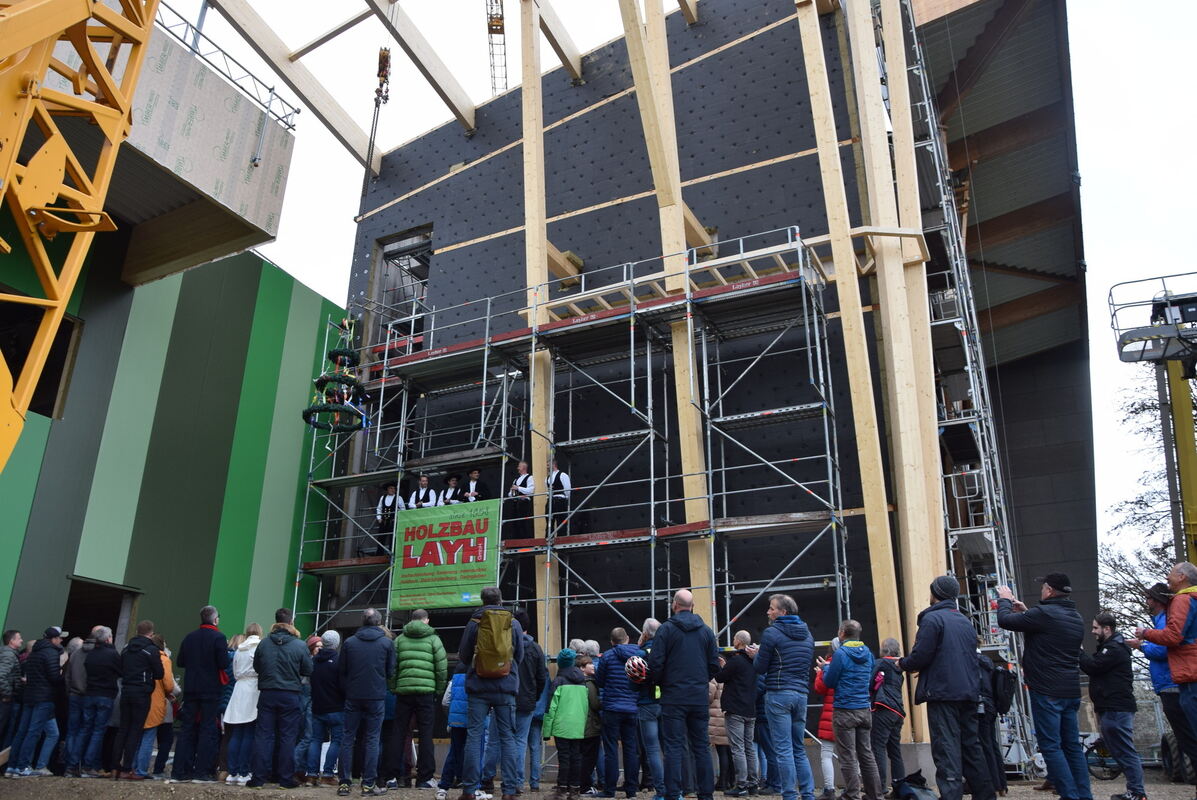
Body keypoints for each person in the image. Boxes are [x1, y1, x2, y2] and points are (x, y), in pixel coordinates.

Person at [997, 575, 1089, 800]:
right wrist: (1027, 612)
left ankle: (1069, 795)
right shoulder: (1075, 617)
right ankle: (1084, 795)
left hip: (1046, 690)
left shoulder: (1044, 614)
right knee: (1072, 747)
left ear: (1049, 590)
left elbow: (1004, 621)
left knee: (1051, 746)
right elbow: (1048, 628)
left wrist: (1005, 600)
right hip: (1070, 690)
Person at [900, 576, 992, 800]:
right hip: (968, 692)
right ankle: (985, 795)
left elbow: (921, 655)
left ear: (935, 593)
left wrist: (902, 663)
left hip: (943, 693)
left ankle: (951, 796)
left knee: (946, 749)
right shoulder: (965, 621)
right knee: (972, 748)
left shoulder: (932, 620)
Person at [646, 589, 720, 800]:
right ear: (692, 605)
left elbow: (655, 664)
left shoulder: (666, 630)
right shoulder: (706, 632)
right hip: (698, 697)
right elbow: (715, 665)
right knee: (701, 746)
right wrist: (699, 681)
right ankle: (706, 794)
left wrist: (663, 682)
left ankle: (673, 794)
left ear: (674, 605)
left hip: (673, 697)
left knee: (673, 748)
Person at [457, 586, 526, 800]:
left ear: (481, 600)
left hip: (478, 686)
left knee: (474, 736)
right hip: (505, 686)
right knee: (507, 738)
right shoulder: (513, 622)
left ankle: (469, 790)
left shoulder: (474, 622)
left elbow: (463, 655)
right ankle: (509, 791)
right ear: (500, 600)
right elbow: (520, 656)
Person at [1132, 583, 1197, 792]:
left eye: (1149, 598)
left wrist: (1142, 644)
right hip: (1172, 681)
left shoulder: (1164, 620)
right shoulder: (1163, 619)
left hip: (1172, 682)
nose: (1147, 602)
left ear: (1157, 600)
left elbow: (1163, 648)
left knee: (1187, 734)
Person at [751, 593, 817, 800]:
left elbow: (760, 667)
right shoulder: (808, 635)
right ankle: (807, 794)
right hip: (801, 695)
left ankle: (789, 795)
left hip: (779, 693)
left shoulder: (772, 633)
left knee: (783, 749)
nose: (768, 611)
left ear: (783, 612)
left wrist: (756, 655)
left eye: (771, 608)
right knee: (798, 747)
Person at [1079, 612, 1144, 800]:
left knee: (1125, 750)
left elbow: (1094, 666)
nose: (1092, 631)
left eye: (1095, 628)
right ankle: (1135, 791)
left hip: (1116, 707)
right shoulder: (1111, 646)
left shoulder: (1114, 648)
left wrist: (1080, 651)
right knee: (1120, 750)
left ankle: (1137, 792)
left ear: (1107, 629)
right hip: (1110, 706)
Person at [247, 608, 312, 789]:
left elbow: (257, 666)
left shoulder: (264, 643)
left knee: (263, 736)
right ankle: (285, 779)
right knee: (287, 737)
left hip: (267, 693)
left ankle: (259, 778)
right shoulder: (300, 645)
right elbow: (308, 669)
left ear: (275, 622)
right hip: (290, 694)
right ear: (291, 622)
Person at [339, 608, 396, 796]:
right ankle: (368, 784)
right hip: (376, 695)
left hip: (353, 695)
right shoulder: (387, 643)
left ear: (362, 621)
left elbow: (343, 670)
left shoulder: (349, 642)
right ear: (379, 622)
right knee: (373, 738)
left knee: (348, 738)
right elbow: (390, 672)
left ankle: (344, 783)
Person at [820, 620, 881, 800]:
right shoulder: (868, 653)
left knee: (847, 756)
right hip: (864, 709)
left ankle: (852, 794)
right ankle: (875, 795)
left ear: (841, 633)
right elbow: (870, 678)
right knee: (867, 754)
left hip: (845, 710)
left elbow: (829, 682)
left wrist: (825, 669)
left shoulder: (841, 653)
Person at [1134, 563, 1197, 733]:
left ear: (1182, 577)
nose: (1167, 577)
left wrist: (1145, 634)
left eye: (1171, 573)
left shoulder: (1183, 599)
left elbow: (1173, 636)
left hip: (1189, 674)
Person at [172, 605, 230, 783]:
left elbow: (181, 661)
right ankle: (202, 771)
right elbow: (223, 662)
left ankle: (180, 771)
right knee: (208, 729)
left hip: (191, 688)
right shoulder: (218, 637)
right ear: (215, 619)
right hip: (210, 688)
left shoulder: (190, 637)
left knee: (187, 729)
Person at [392, 608, 448, 789]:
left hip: (403, 692)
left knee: (399, 733)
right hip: (426, 693)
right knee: (426, 735)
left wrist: (394, 687)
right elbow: (441, 668)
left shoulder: (399, 640)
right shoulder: (434, 639)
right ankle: (424, 779)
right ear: (427, 620)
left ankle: (394, 776)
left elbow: (392, 668)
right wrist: (437, 691)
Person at [10, 626, 66, 777]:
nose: (61, 640)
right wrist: (63, 674)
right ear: (54, 639)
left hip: (30, 696)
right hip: (44, 697)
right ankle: (23, 766)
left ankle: (12, 766)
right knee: (33, 733)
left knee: (22, 731)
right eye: (60, 638)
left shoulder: (34, 652)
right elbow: (54, 678)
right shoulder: (51, 653)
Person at [544, 648, 600, 800]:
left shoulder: (558, 681)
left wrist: (546, 732)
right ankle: (575, 791)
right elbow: (585, 706)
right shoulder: (583, 682)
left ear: (561, 664)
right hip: (578, 726)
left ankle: (562, 790)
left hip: (562, 726)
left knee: (564, 758)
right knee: (576, 757)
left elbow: (551, 708)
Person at [596, 627, 643, 799]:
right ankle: (631, 790)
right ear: (628, 638)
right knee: (631, 749)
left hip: (612, 708)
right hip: (632, 707)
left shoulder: (607, 656)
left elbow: (600, 681)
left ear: (611, 641)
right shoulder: (639, 655)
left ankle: (609, 790)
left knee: (611, 749)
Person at [114, 620, 165, 781]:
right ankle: (127, 767)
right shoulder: (151, 650)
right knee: (135, 730)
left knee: (122, 730)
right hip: (142, 692)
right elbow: (159, 673)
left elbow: (119, 668)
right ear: (151, 633)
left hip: (126, 690)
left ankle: (115, 766)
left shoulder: (126, 648)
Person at [715, 631, 758, 797]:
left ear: (739, 642)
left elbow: (719, 678)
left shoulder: (736, 661)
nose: (732, 640)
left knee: (738, 748)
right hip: (750, 709)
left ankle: (741, 785)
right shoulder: (753, 662)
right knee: (749, 748)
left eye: (734, 638)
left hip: (736, 710)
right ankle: (753, 783)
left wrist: (721, 666)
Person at [222, 623, 263, 785]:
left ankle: (232, 772)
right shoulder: (259, 647)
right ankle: (244, 772)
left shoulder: (240, 649)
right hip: (253, 688)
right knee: (248, 732)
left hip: (239, 689)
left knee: (236, 733)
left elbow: (235, 670)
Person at [133, 633, 178, 779]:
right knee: (156, 738)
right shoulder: (163, 659)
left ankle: (132, 768)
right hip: (158, 702)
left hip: (138, 700)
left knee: (138, 737)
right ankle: (146, 770)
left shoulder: (139, 656)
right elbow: (170, 685)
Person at [78, 626, 120, 778]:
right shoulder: (112, 654)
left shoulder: (91, 654)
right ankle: (89, 765)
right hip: (105, 694)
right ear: (108, 638)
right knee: (98, 731)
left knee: (84, 729)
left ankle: (75, 764)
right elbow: (121, 671)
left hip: (90, 693)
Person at [308, 630, 344, 786]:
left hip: (317, 706)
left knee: (315, 740)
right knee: (336, 741)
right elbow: (343, 685)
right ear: (337, 644)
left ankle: (311, 775)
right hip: (336, 707)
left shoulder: (314, 661)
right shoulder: (339, 661)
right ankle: (328, 774)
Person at [635, 619, 665, 800]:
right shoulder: (667, 651)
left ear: (645, 633)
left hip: (646, 703)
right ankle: (673, 789)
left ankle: (660, 791)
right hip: (666, 702)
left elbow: (633, 683)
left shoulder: (640, 654)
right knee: (669, 748)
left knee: (652, 749)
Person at [870, 638, 905, 795]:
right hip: (898, 712)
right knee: (895, 751)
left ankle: (880, 787)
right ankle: (899, 788)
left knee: (878, 748)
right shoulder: (899, 669)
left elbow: (869, 683)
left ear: (883, 650)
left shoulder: (881, 663)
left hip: (884, 709)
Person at [63, 628, 98, 776]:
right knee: (86, 730)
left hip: (74, 695)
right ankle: (82, 764)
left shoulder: (75, 654)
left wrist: (70, 692)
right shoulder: (97, 655)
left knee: (72, 731)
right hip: (89, 695)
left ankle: (69, 764)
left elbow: (67, 677)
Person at [975, 646, 1004, 798]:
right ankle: (1001, 783)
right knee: (993, 744)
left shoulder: (974, 661)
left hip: (980, 705)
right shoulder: (988, 662)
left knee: (984, 745)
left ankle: (992, 783)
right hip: (991, 705)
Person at [0, 630, 21, 751]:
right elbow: (1, 675)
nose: (21, 640)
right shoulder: (9, 655)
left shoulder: (6, 653)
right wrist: (7, 694)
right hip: (3, 699)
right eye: (19, 638)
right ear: (12, 641)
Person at [506, 461, 535, 540]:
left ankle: (524, 538)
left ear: (524, 468)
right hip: (515, 502)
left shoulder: (529, 477)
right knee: (514, 522)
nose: (517, 468)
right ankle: (516, 539)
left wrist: (518, 488)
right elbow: (509, 494)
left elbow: (531, 490)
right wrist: (512, 492)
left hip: (524, 503)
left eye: (519, 466)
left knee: (523, 522)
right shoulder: (515, 480)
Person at [547, 460, 572, 535]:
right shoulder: (547, 478)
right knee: (549, 521)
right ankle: (549, 538)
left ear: (553, 465)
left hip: (560, 499)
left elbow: (567, 489)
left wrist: (565, 499)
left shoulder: (562, 475)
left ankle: (561, 538)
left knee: (560, 521)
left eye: (548, 465)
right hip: (550, 500)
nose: (547, 467)